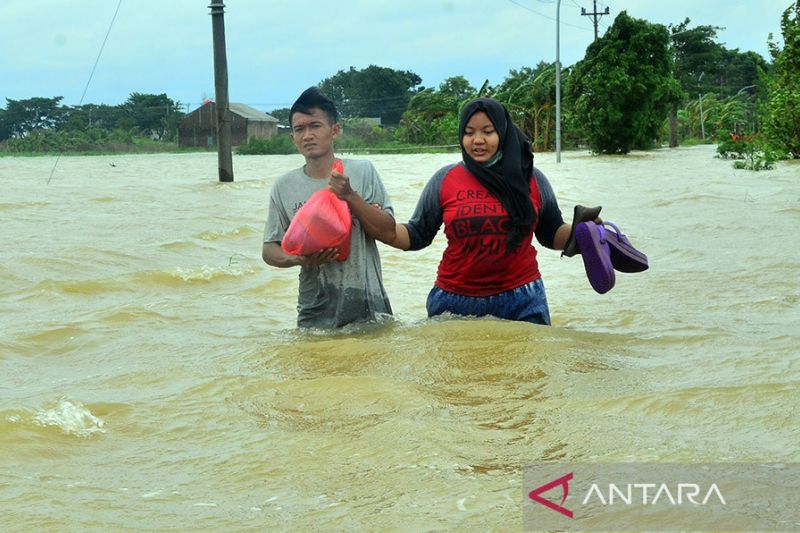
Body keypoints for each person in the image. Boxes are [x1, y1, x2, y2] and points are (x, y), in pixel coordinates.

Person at [388, 97, 586, 326]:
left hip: (522, 299)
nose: (477, 140)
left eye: (488, 131)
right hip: (453, 302)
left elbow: (551, 233)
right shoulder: (445, 179)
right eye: (469, 132)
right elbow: (417, 234)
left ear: (502, 133)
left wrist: (585, 232)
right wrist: (376, 224)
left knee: (528, 363)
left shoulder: (531, 178)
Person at [262, 87, 396, 328]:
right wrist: (298, 259)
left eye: (315, 126)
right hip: (315, 310)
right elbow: (270, 249)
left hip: (367, 304)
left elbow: (388, 231)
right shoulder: (284, 186)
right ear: (292, 137)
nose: (307, 135)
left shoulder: (362, 172)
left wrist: (350, 196)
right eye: (299, 129)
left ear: (335, 130)